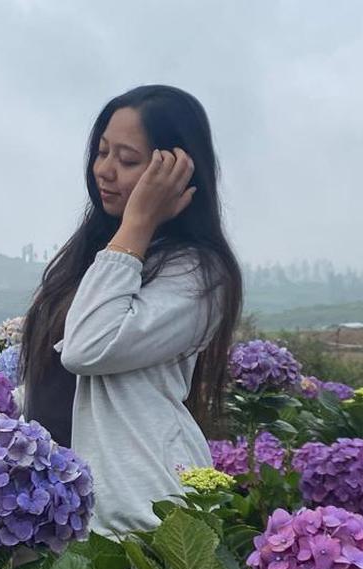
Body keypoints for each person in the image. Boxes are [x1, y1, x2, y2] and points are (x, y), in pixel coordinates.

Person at [19, 85, 243, 535]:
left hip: (139, 514)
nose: (105, 171)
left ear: (175, 172)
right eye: (102, 152)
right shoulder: (99, 254)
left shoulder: (198, 272)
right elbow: (52, 375)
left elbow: (86, 348)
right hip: (58, 511)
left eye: (127, 160)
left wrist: (138, 223)